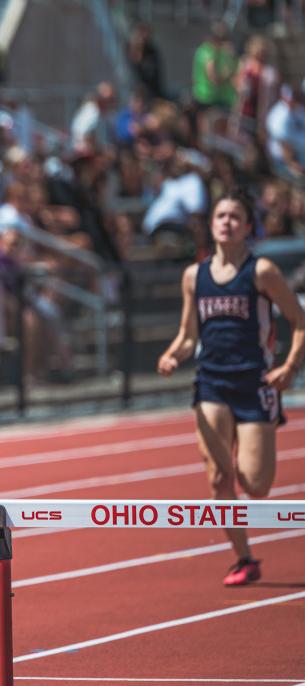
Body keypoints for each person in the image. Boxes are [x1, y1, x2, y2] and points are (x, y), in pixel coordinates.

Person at [157, 188, 305, 586]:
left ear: (247, 227)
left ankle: (250, 453)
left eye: (234, 217)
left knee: (255, 485)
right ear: (211, 224)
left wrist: (290, 364)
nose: (226, 222)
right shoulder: (195, 275)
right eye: (220, 216)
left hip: (254, 384)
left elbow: (299, 318)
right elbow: (189, 335)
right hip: (211, 383)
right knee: (219, 476)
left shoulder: (261, 272)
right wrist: (173, 355)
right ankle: (244, 558)